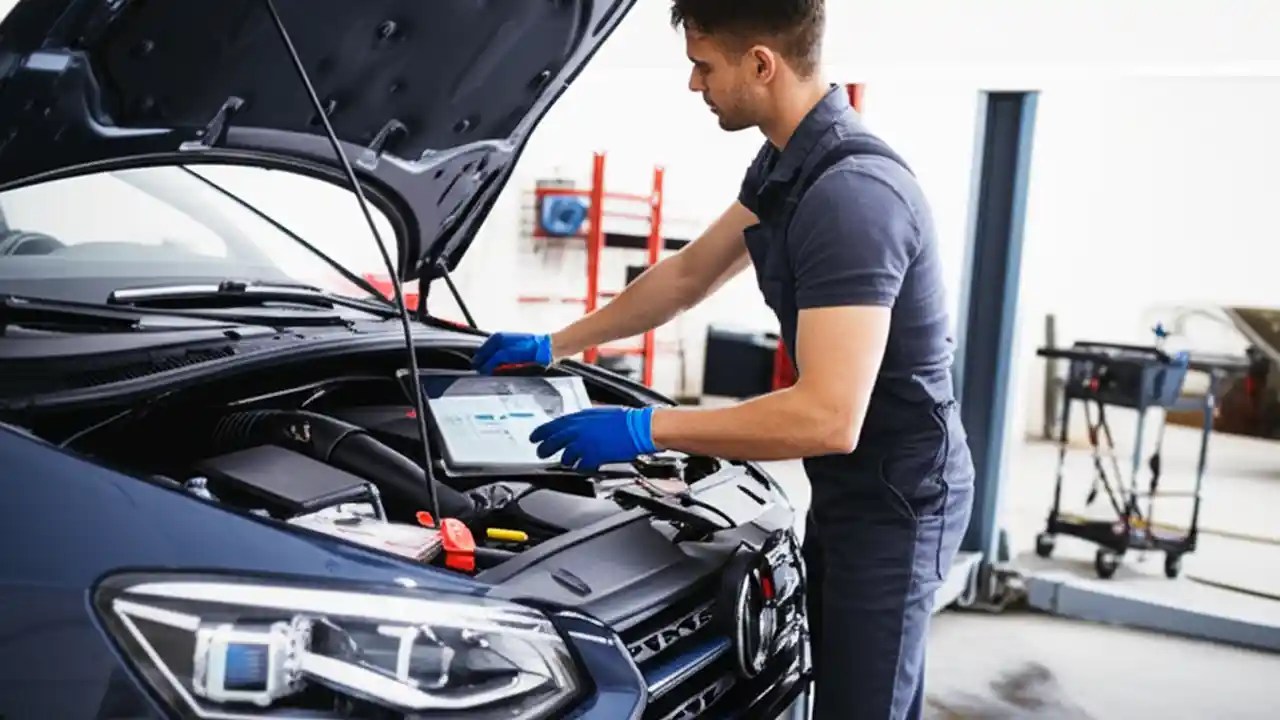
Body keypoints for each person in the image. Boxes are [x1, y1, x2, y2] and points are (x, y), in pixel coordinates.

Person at [470, 1, 975, 718]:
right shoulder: (787, 164)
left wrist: (647, 428)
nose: (694, 85)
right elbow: (686, 277)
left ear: (761, 63)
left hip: (898, 497)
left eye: (703, 67)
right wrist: (556, 345)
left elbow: (830, 417)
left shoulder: (851, 196)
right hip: (851, 488)